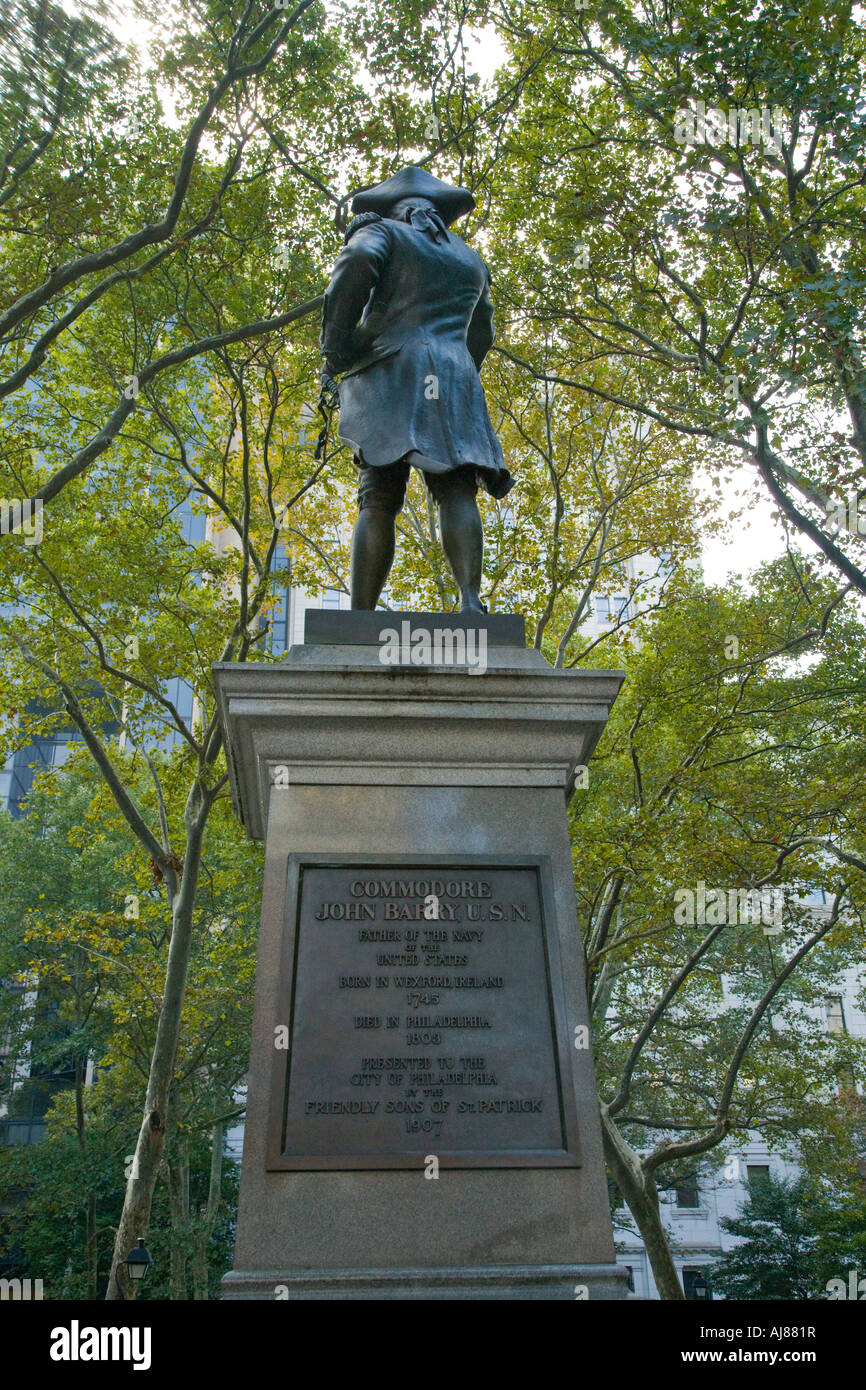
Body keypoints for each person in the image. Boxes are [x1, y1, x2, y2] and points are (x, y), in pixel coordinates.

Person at [319, 166, 514, 612]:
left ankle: (360, 615)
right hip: (456, 379)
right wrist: (459, 372)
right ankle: (470, 602)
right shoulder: (469, 257)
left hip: (392, 373)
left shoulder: (383, 232)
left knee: (379, 494)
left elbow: (354, 265)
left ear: (395, 210)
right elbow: (482, 331)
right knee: (456, 491)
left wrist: (337, 349)